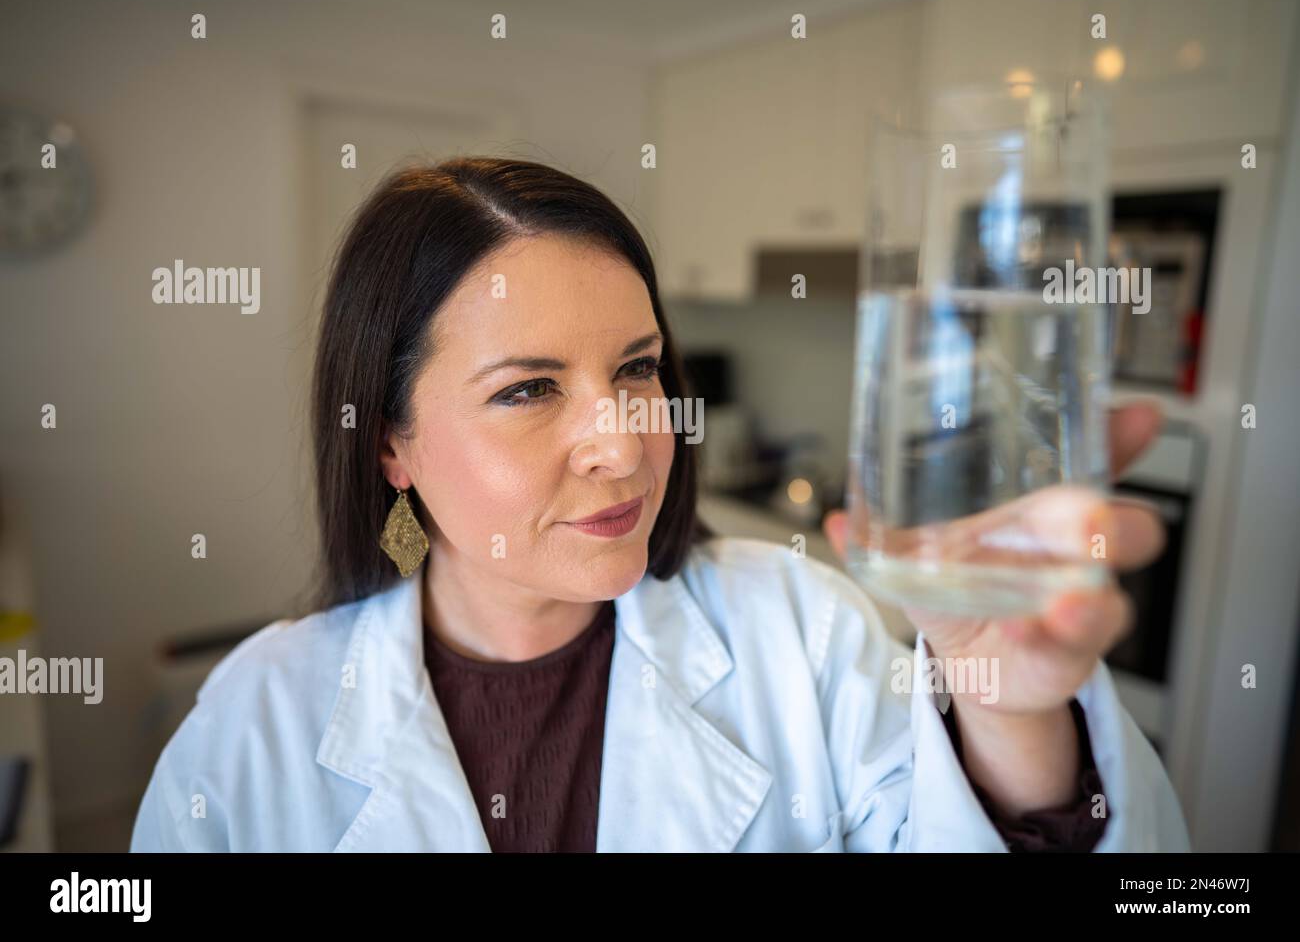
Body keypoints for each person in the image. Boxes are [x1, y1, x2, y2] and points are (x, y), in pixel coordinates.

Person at [130, 157, 1189, 852]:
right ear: (393, 442)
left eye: (636, 370)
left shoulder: (801, 633)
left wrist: (1006, 701)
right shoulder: (254, 723)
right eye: (528, 389)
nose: (629, 437)